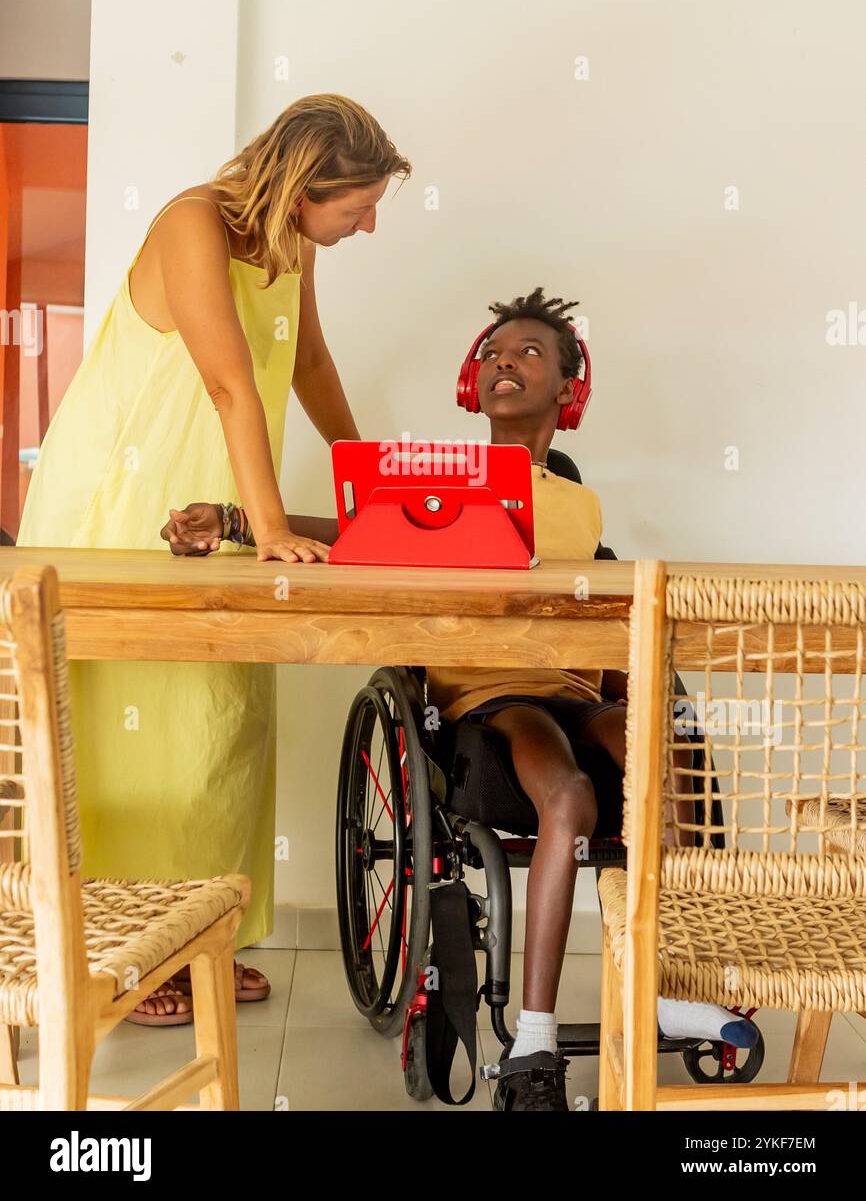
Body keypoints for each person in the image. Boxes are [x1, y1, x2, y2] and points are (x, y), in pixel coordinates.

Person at [163, 286, 756, 1100]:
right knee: (570, 796)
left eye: (530, 353)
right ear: (469, 383)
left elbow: (479, 531)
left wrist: (406, 522)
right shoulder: (433, 484)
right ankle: (533, 1041)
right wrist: (239, 520)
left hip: (581, 686)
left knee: (663, 757)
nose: (505, 360)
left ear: (568, 392)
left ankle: (669, 986)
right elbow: (364, 532)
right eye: (492, 353)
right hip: (494, 696)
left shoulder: (577, 506)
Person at [15, 94, 411, 1024]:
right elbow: (230, 382)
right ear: (303, 188)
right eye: (358, 204)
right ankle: (125, 947)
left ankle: (199, 932)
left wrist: (367, 487)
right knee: (135, 732)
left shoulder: (290, 245)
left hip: (213, 503)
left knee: (221, 720)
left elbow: (308, 364)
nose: (371, 222)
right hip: (119, 507)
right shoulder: (192, 223)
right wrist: (270, 528)